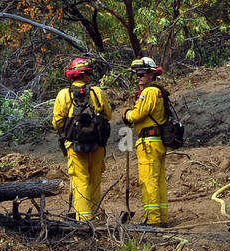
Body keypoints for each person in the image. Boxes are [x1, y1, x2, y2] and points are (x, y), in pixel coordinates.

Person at [52, 57, 112, 222]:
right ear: (86, 75)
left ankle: (83, 221)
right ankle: (94, 217)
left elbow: (57, 123)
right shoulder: (96, 92)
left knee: (80, 180)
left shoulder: (64, 94)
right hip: (97, 144)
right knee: (94, 179)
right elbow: (108, 115)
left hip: (75, 145)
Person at [123, 56, 169, 226]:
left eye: (142, 74)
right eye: (137, 74)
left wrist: (126, 114)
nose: (139, 77)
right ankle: (162, 217)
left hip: (148, 143)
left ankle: (153, 219)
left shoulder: (149, 92)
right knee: (158, 180)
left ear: (151, 75)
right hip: (158, 142)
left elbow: (137, 115)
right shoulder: (159, 91)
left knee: (148, 180)